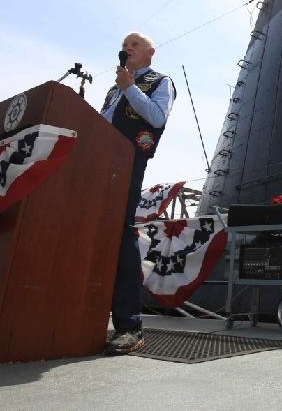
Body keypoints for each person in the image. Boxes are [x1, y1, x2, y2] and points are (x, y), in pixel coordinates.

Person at [100, 32, 175, 355]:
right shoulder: (113, 89)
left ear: (150, 52)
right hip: (96, 164)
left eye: (133, 45)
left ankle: (129, 325)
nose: (126, 49)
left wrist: (130, 87)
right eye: (124, 45)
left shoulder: (160, 82)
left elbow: (157, 117)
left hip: (127, 163)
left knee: (120, 234)